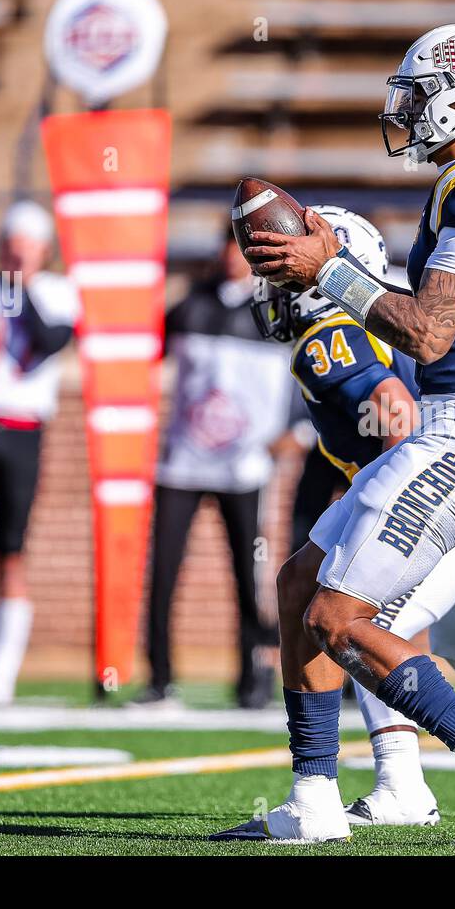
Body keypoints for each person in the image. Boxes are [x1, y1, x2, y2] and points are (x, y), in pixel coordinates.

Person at [221, 24, 455, 846]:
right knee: (299, 586)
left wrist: (327, 272)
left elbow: (430, 331)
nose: (403, 111)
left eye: (416, 94)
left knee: (341, 617)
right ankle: (314, 803)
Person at [247, 205, 455, 828]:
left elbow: (397, 417)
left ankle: (415, 780)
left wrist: (394, 510)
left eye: (281, 270)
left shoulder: (329, 339)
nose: (272, 287)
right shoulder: (383, 321)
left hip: (443, 493)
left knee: (361, 617)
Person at [134, 229, 295, 710]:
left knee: (249, 577)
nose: (234, 259)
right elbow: (141, 352)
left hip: (245, 468)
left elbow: (306, 374)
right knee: (162, 573)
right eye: (228, 248)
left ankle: (253, 677)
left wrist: (294, 434)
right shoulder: (189, 306)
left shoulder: (278, 311)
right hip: (181, 464)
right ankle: (159, 679)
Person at [0, 200, 80, 704]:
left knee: (11, 551)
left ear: (44, 251)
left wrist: (21, 287)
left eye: (27, 248)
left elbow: (49, 338)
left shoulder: (57, 292)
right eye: (10, 246)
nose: (16, 255)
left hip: (23, 429)